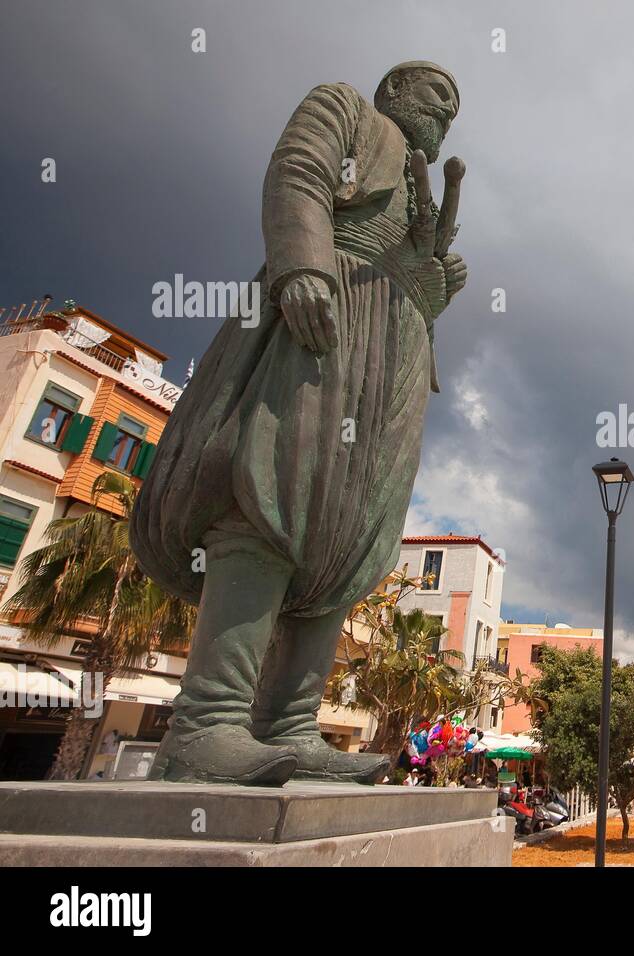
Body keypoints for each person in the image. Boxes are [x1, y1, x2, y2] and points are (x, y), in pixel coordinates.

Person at [131, 61, 468, 786]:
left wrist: (432, 291)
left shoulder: (424, 184)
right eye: (433, 94)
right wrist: (302, 267)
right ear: (392, 92)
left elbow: (408, 270)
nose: (445, 110)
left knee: (357, 524)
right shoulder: (345, 106)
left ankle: (288, 721)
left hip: (398, 350)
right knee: (278, 479)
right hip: (328, 309)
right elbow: (297, 173)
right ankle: (205, 724)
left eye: (454, 107)